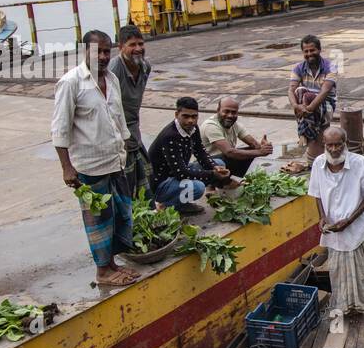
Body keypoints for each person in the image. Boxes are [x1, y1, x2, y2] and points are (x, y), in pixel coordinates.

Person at [51, 29, 139, 287]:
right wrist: (67, 168)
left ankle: (112, 264)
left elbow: (119, 117)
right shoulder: (71, 83)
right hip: (90, 165)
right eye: (96, 51)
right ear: (84, 51)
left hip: (115, 160)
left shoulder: (111, 79)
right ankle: (103, 272)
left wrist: (126, 146)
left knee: (121, 214)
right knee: (99, 220)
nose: (102, 56)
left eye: (106, 51)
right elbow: (60, 128)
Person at [308, 127, 364, 318]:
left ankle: (358, 307)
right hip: (333, 230)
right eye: (330, 145)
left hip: (353, 228)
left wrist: (349, 220)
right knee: (337, 270)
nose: (334, 149)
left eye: (338, 144)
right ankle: (343, 307)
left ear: (345, 144)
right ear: (324, 145)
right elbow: (317, 195)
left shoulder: (359, 163)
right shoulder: (318, 164)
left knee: (356, 269)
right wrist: (322, 217)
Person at [148, 96, 237, 213]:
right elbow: (181, 174)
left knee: (219, 163)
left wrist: (214, 167)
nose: (190, 120)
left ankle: (181, 203)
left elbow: (200, 152)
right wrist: (213, 174)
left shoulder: (193, 128)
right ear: (176, 114)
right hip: (162, 183)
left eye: (194, 116)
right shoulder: (169, 136)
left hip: (178, 173)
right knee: (198, 187)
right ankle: (166, 205)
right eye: (185, 116)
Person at [108, 24, 152, 198]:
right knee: (125, 181)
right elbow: (106, 108)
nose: (138, 49)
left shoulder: (145, 67)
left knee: (146, 176)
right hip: (117, 132)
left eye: (141, 44)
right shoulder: (112, 71)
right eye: (132, 45)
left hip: (134, 127)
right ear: (121, 47)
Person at [288, 34, 336, 161]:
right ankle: (309, 142)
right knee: (299, 91)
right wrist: (297, 107)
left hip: (326, 105)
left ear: (319, 50)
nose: (309, 54)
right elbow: (291, 90)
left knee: (308, 95)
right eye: (306, 51)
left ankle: (303, 133)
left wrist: (307, 110)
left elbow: (325, 91)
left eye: (312, 50)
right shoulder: (298, 68)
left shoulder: (330, 66)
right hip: (306, 108)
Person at [200, 97, 273, 177]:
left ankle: (236, 180)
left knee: (250, 152)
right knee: (232, 156)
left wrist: (262, 147)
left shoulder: (235, 125)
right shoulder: (210, 125)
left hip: (224, 161)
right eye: (226, 111)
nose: (230, 115)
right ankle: (214, 185)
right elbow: (229, 152)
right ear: (218, 110)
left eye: (233, 112)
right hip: (206, 165)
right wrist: (260, 152)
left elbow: (253, 144)